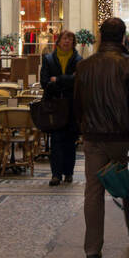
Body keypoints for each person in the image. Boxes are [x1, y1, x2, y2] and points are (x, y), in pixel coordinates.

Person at [73, 17, 129, 258]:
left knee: (93, 191)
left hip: (94, 138)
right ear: (123, 36)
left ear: (100, 35)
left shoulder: (84, 66)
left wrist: (83, 129)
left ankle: (92, 247)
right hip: (126, 139)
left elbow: (77, 103)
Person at [40, 30, 82, 185]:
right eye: (65, 38)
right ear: (59, 41)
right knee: (56, 140)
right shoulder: (49, 59)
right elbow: (45, 82)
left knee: (70, 141)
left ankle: (69, 172)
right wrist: (65, 83)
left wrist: (57, 79)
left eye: (70, 39)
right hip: (55, 105)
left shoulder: (78, 59)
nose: (67, 42)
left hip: (71, 105)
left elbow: (78, 81)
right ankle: (56, 174)